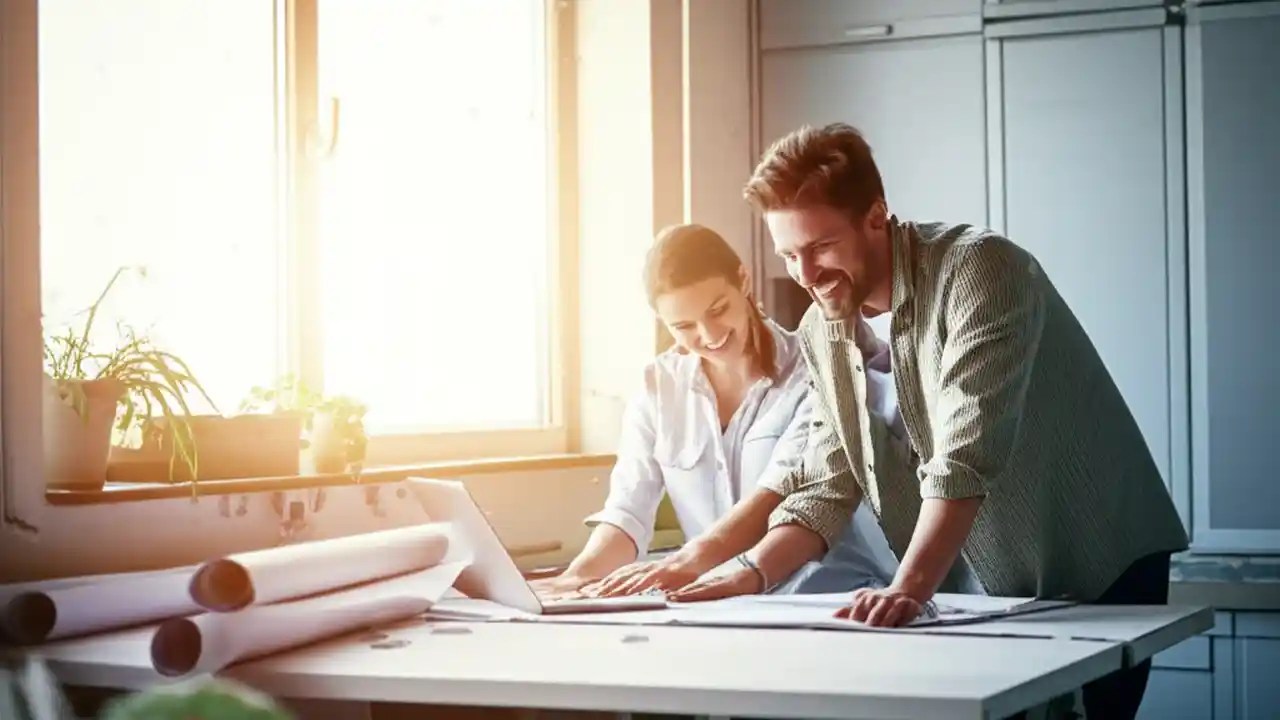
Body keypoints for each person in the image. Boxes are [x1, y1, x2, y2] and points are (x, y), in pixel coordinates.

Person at [587, 125, 1188, 720]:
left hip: (1096, 559)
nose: (805, 273)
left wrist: (908, 588)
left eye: (820, 247)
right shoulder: (824, 328)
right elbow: (826, 480)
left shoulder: (981, 270)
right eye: (789, 255)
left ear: (877, 215)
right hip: (993, 583)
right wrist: (748, 572)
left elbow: (964, 451)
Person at [532, 223, 897, 600]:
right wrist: (575, 578)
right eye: (684, 326)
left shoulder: (814, 367)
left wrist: (681, 564)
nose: (708, 335)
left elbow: (772, 496)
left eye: (717, 309)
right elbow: (629, 510)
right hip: (714, 600)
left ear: (743, 280)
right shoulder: (658, 386)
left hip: (820, 592)